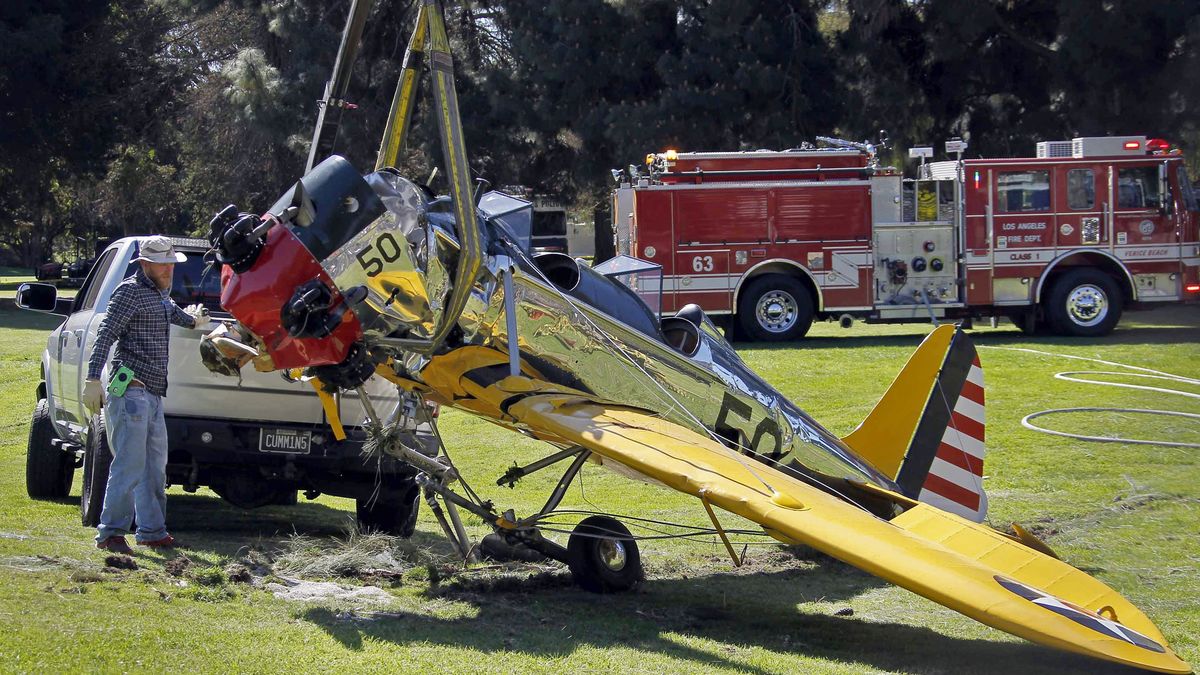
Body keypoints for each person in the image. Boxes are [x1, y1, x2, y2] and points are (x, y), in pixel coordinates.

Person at [82, 236, 210, 554]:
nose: (170, 268)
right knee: (129, 464)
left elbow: (173, 313)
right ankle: (110, 532)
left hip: (151, 395)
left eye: (171, 262)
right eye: (163, 263)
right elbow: (106, 334)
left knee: (154, 467)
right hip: (130, 392)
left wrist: (196, 321)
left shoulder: (158, 294)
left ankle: (152, 531)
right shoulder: (129, 292)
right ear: (145, 265)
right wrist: (92, 379)